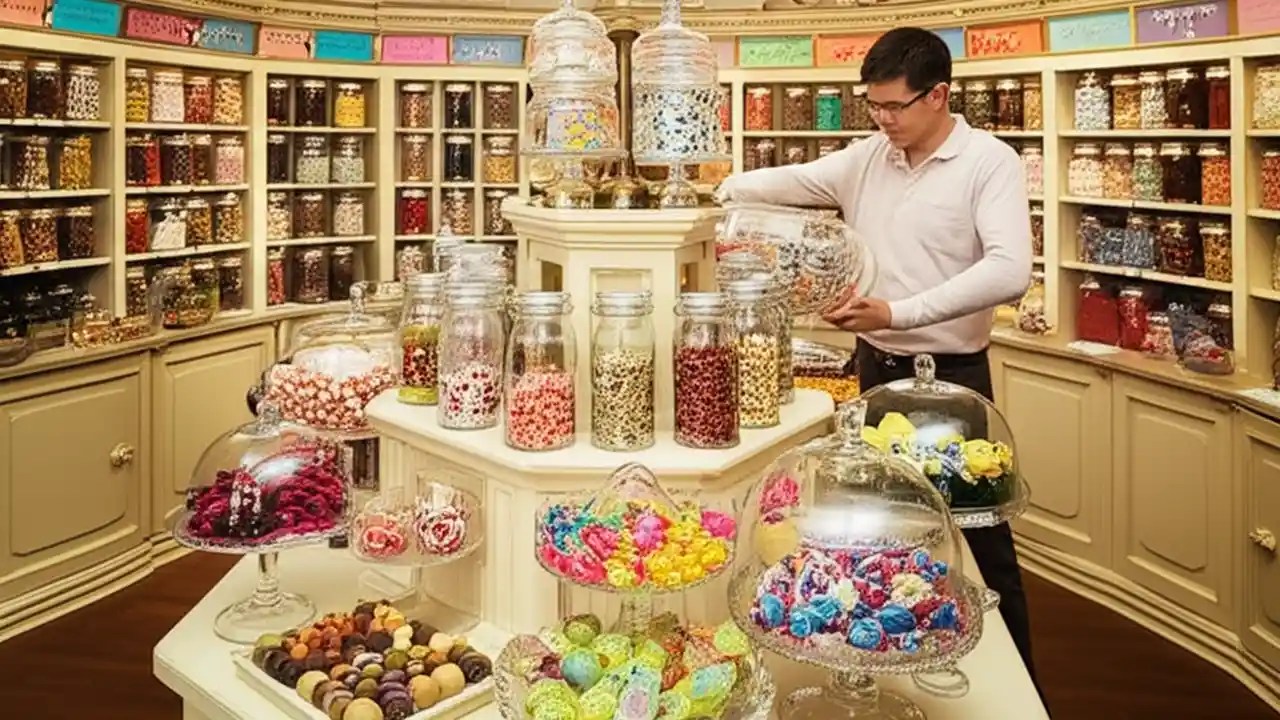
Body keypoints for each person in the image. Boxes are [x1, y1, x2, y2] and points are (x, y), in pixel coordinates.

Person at [716, 27, 1039, 684]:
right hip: (874, 372)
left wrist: (898, 312)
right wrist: (714, 185)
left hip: (950, 384)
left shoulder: (989, 162)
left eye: (895, 106)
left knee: (979, 544)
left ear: (938, 95)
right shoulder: (869, 156)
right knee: (880, 539)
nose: (883, 119)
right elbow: (788, 181)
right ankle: (893, 671)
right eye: (874, 106)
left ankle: (1018, 691)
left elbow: (1010, 271)